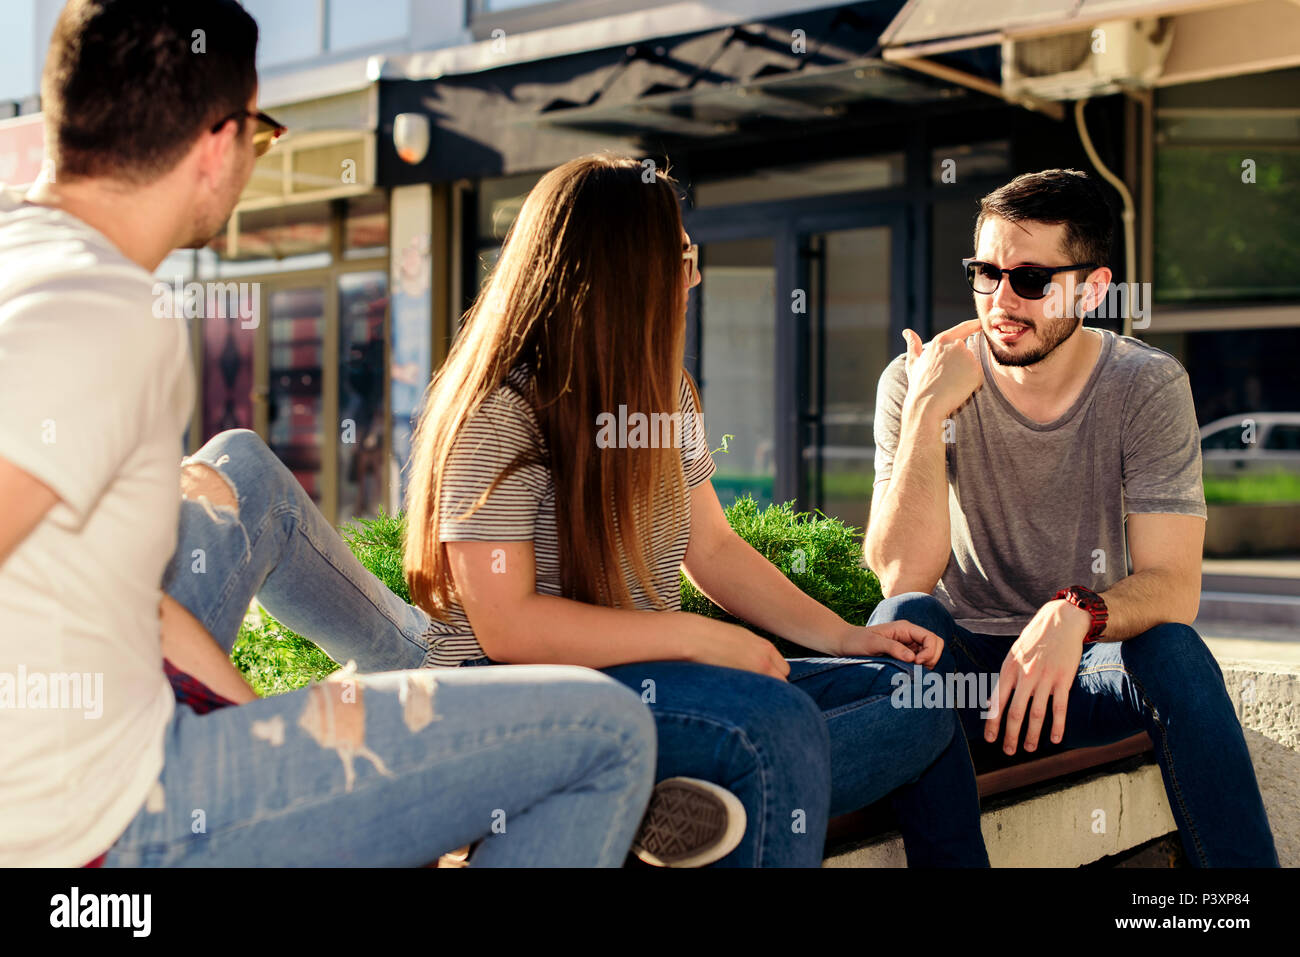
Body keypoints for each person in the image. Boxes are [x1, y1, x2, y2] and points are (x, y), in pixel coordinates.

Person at [0, 0, 665, 868]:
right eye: (260, 134)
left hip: (135, 767)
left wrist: (302, 759)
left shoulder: (29, 261)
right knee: (605, 731)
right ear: (218, 141)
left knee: (235, 470)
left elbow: (136, 605)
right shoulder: (101, 311)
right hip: (115, 820)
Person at [401, 152, 991, 867]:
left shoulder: (663, 392)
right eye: (681, 253)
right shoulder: (500, 413)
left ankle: (658, 795)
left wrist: (843, 637)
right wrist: (696, 639)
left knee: (920, 702)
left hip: (657, 684)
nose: (696, 273)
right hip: (526, 706)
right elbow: (506, 625)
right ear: (623, 270)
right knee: (775, 732)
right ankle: (643, 789)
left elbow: (710, 546)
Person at [864, 168, 1278, 867]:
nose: (1001, 300)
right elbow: (902, 575)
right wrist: (930, 411)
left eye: (1029, 280)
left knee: (1174, 652)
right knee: (905, 622)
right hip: (964, 686)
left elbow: (1174, 587)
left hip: (1078, 676)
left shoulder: (1146, 385)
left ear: (1092, 288)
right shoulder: (918, 379)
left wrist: (1073, 614)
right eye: (985, 272)